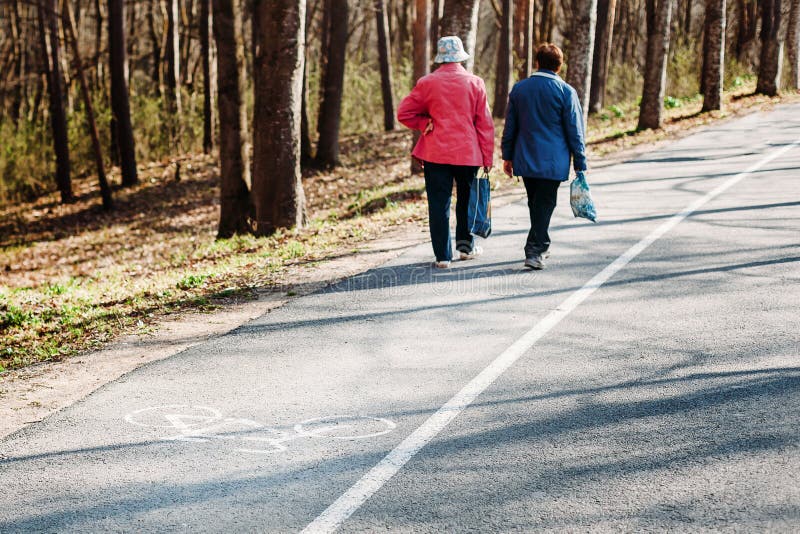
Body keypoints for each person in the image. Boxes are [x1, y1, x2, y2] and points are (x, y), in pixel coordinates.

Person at [397, 36, 495, 269]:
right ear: (461, 56)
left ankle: (442, 256)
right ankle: (465, 248)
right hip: (468, 153)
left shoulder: (427, 83)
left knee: (439, 204)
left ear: (441, 58)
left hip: (435, 154)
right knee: (465, 201)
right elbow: (485, 124)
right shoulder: (475, 83)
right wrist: (487, 157)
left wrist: (424, 124)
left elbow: (404, 113)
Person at [501, 43, 588, 270]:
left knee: (535, 203)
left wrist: (507, 156)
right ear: (559, 66)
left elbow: (510, 127)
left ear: (537, 62)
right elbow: (575, 130)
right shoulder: (566, 92)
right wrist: (580, 162)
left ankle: (541, 244)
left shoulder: (520, 89)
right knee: (544, 203)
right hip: (553, 161)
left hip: (526, 157)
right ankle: (535, 250)